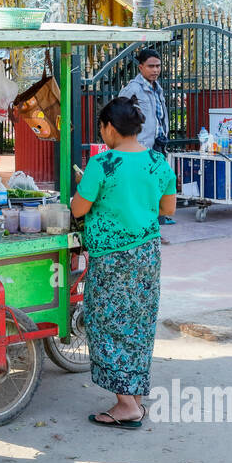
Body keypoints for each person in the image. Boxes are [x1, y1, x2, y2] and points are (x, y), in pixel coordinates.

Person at [71, 96, 177, 429]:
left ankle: (126, 406)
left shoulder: (102, 164)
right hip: (147, 255)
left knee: (106, 323)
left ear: (110, 128)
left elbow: (78, 209)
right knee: (139, 323)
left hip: (111, 258)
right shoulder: (158, 162)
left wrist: (88, 192)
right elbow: (168, 209)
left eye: (101, 127)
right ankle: (135, 397)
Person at [118, 48, 174, 226]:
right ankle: (141, 224)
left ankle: (155, 223)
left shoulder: (157, 87)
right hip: (141, 147)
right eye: (151, 66)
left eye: (158, 66)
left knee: (157, 185)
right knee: (141, 187)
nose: (155, 70)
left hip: (158, 144)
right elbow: (119, 113)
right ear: (141, 67)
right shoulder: (133, 89)